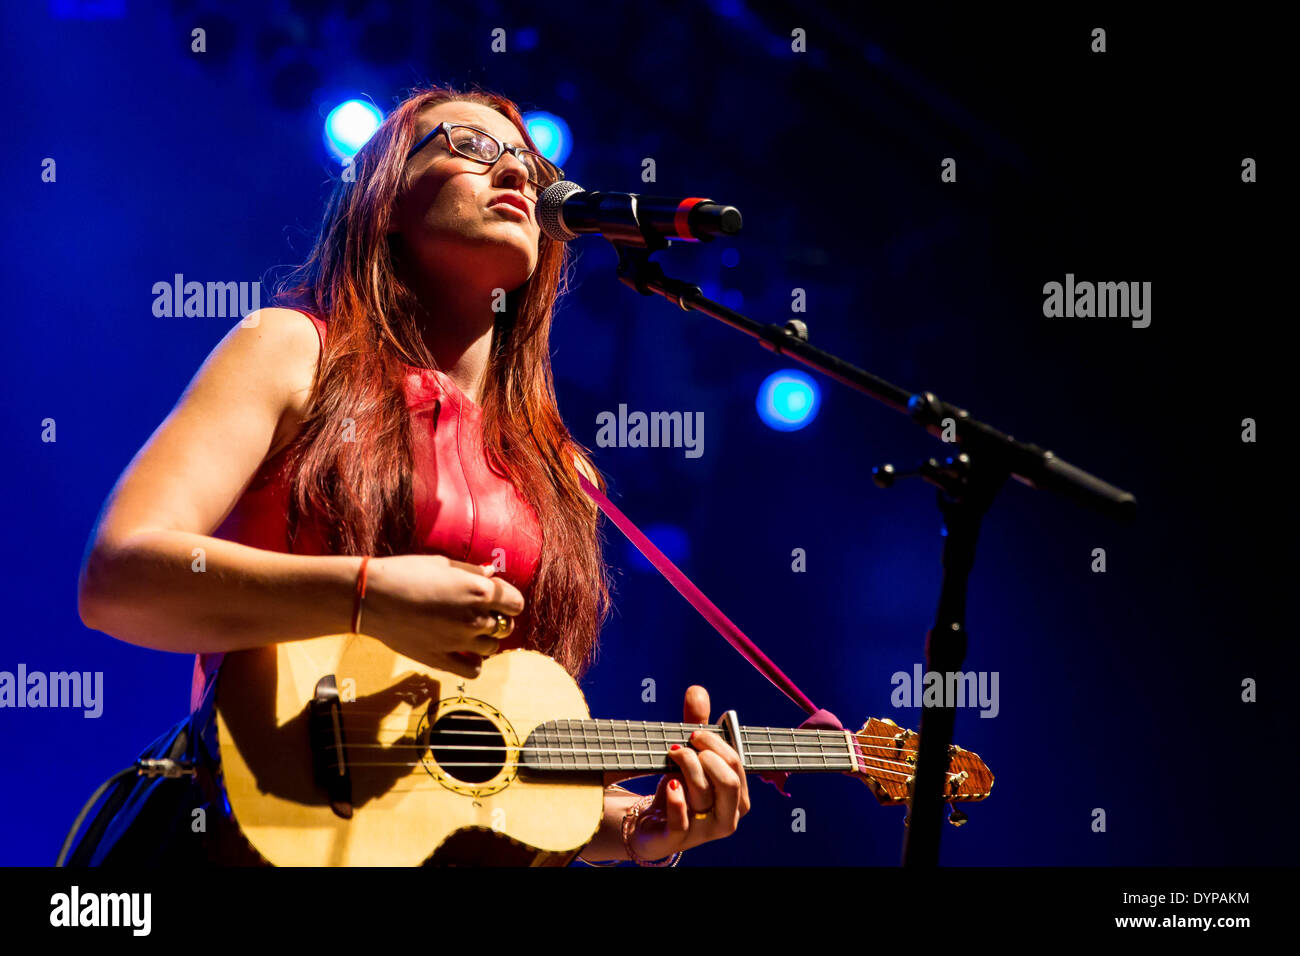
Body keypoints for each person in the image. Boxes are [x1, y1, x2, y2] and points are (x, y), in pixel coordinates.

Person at [71, 84, 750, 866]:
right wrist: (366, 596)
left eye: (529, 163)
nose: (519, 175)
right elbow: (118, 574)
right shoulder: (294, 350)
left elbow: (485, 771)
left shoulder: (559, 467)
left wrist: (639, 830)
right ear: (384, 199)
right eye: (470, 147)